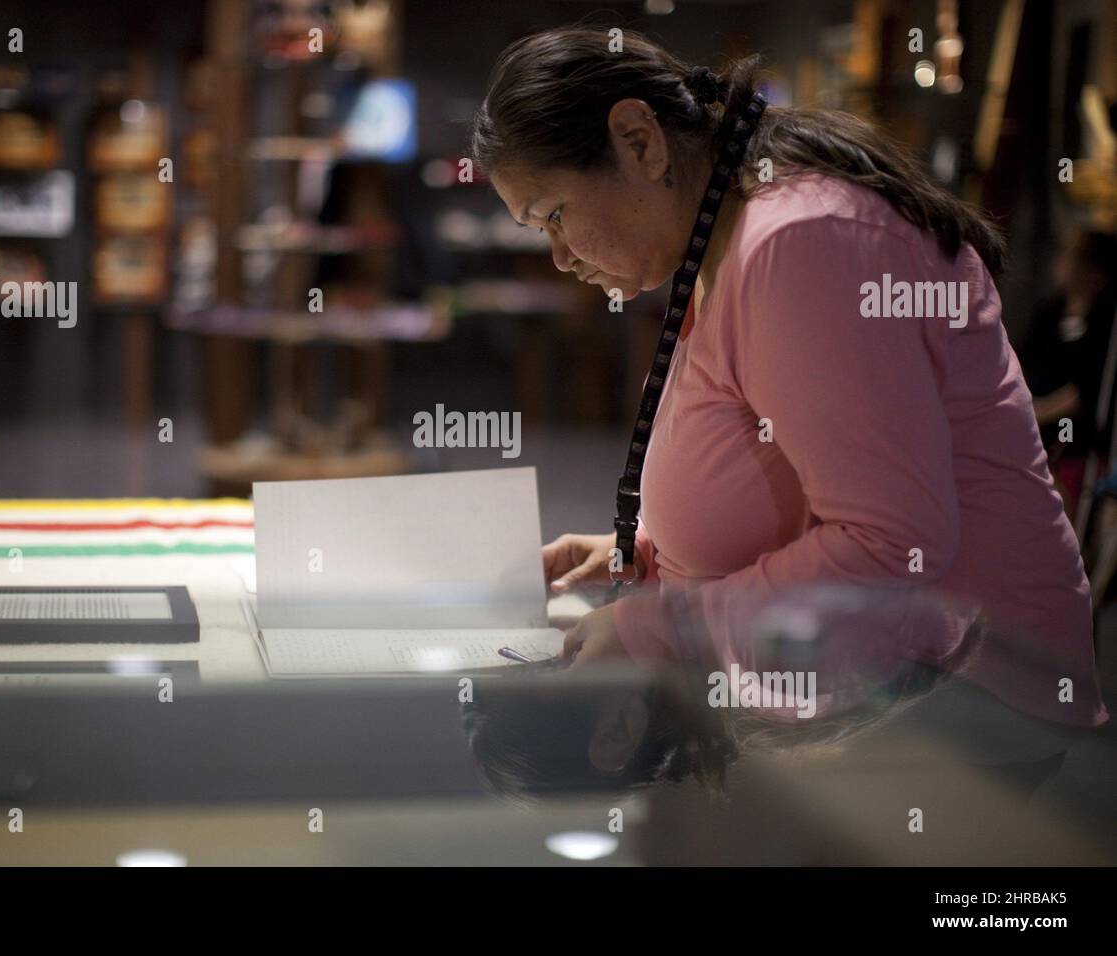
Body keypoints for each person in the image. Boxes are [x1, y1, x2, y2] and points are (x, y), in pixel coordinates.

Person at [468, 27, 1107, 743]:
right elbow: (778, 471)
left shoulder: (800, 243)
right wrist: (648, 554)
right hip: (885, 702)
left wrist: (667, 623)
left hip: (969, 721)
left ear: (639, 142)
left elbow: (890, 541)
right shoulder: (727, 239)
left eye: (554, 214)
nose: (558, 256)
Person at [1018, 228, 1117, 520]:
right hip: (1031, 433)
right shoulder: (1049, 313)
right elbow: (1021, 364)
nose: (1062, 262)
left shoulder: (1106, 326)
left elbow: (1086, 391)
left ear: (1095, 272)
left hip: (1076, 446)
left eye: (1073, 256)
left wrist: (1034, 413)